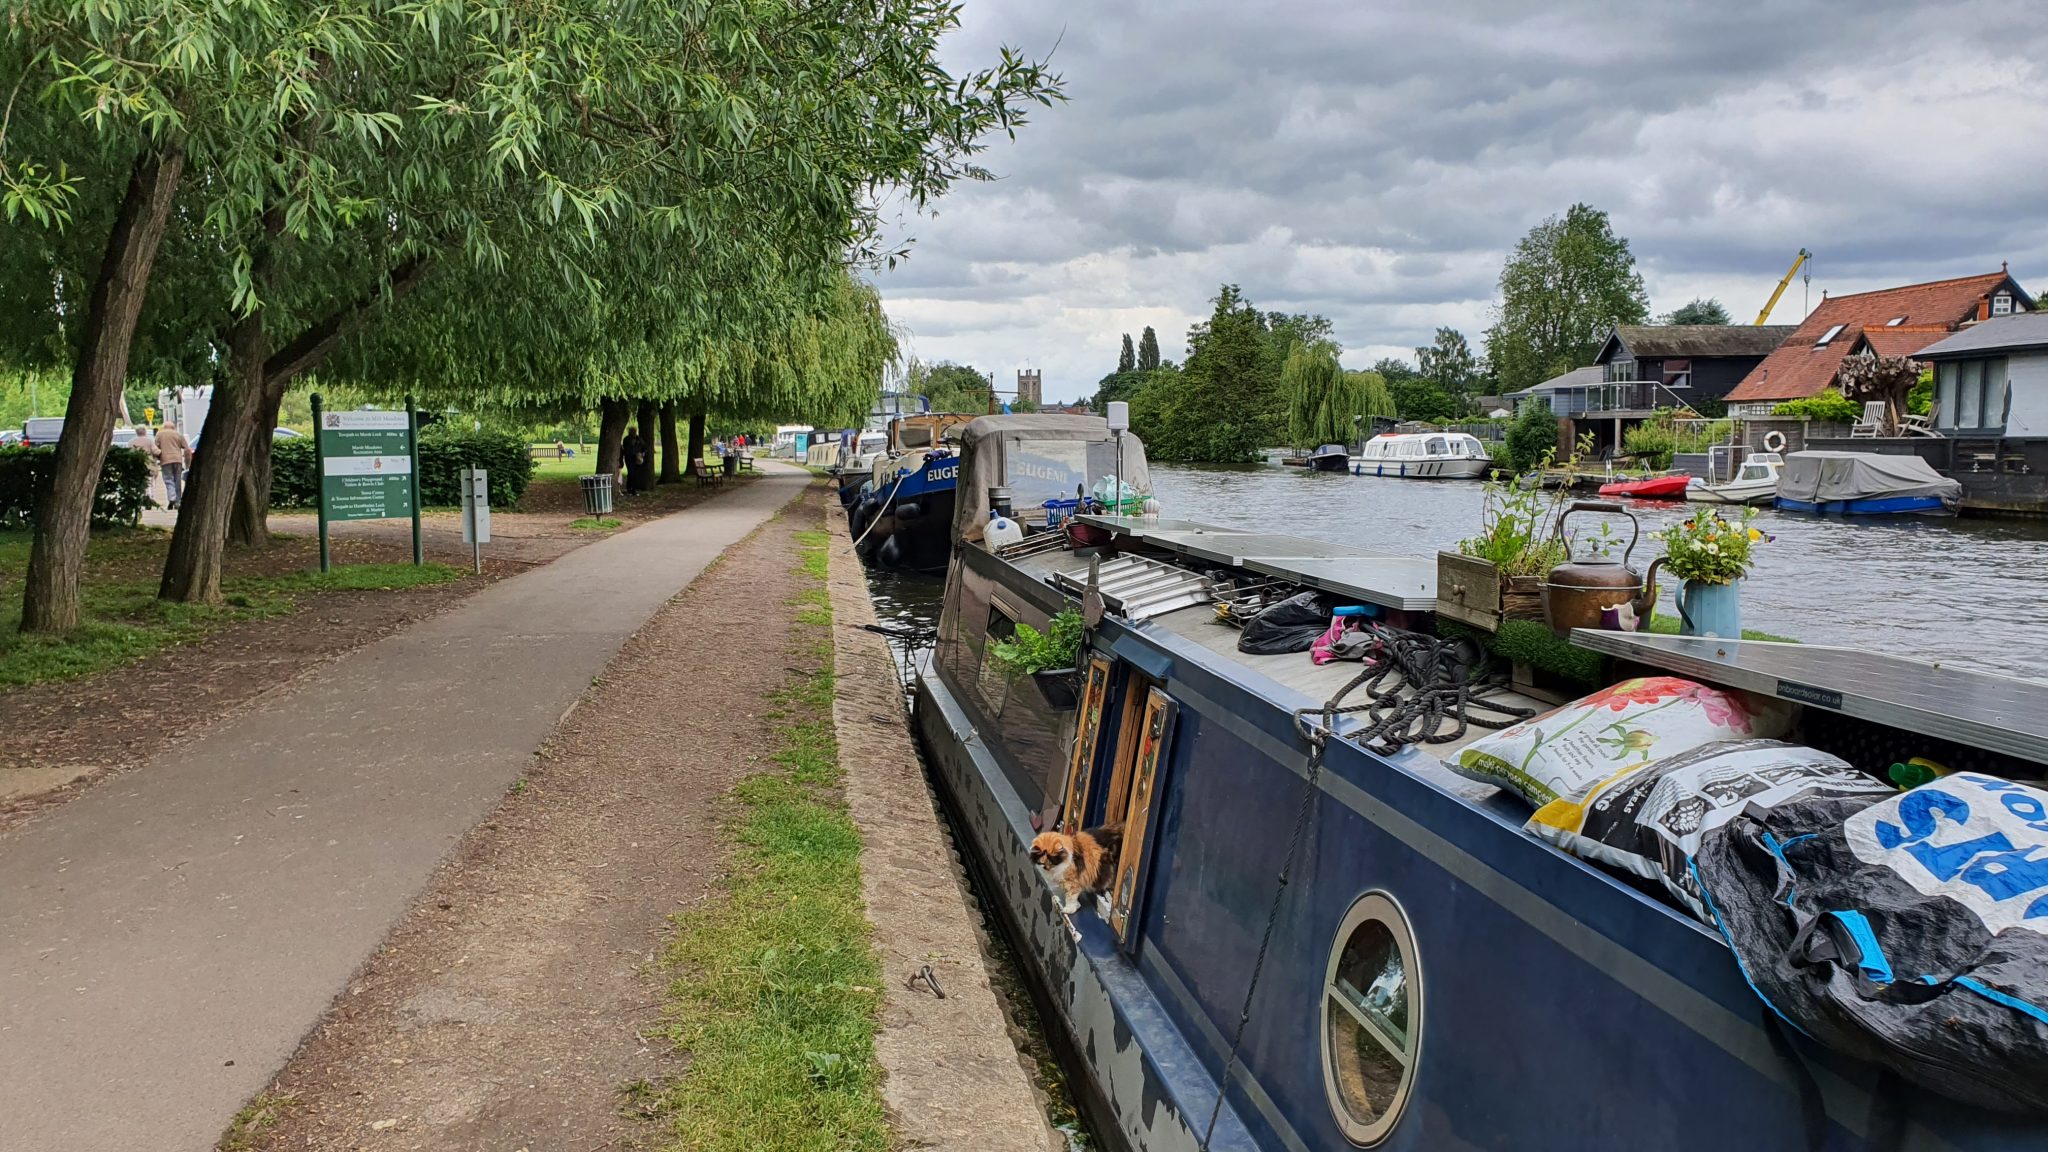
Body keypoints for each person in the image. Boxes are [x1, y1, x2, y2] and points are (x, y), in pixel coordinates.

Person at [156, 421, 190, 509]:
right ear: (173, 427)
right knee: (177, 480)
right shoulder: (178, 434)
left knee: (168, 479)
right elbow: (186, 448)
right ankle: (178, 501)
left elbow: (156, 447)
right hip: (177, 460)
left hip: (165, 460)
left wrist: (158, 456)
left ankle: (172, 497)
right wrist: (187, 462)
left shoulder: (159, 434)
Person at [130, 424, 161, 505]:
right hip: (148, 464)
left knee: (140, 481)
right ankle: (150, 497)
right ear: (145, 432)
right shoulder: (149, 441)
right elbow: (156, 451)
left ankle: (142, 497)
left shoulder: (131, 442)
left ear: (137, 432)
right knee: (150, 482)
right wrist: (160, 452)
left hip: (137, 465)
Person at [622, 426, 650, 494]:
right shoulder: (626, 439)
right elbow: (625, 448)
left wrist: (643, 453)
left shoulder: (639, 439)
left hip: (637, 459)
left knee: (635, 474)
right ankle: (629, 488)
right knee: (631, 473)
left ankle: (633, 489)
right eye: (632, 431)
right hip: (629, 458)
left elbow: (645, 447)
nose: (633, 433)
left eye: (634, 431)